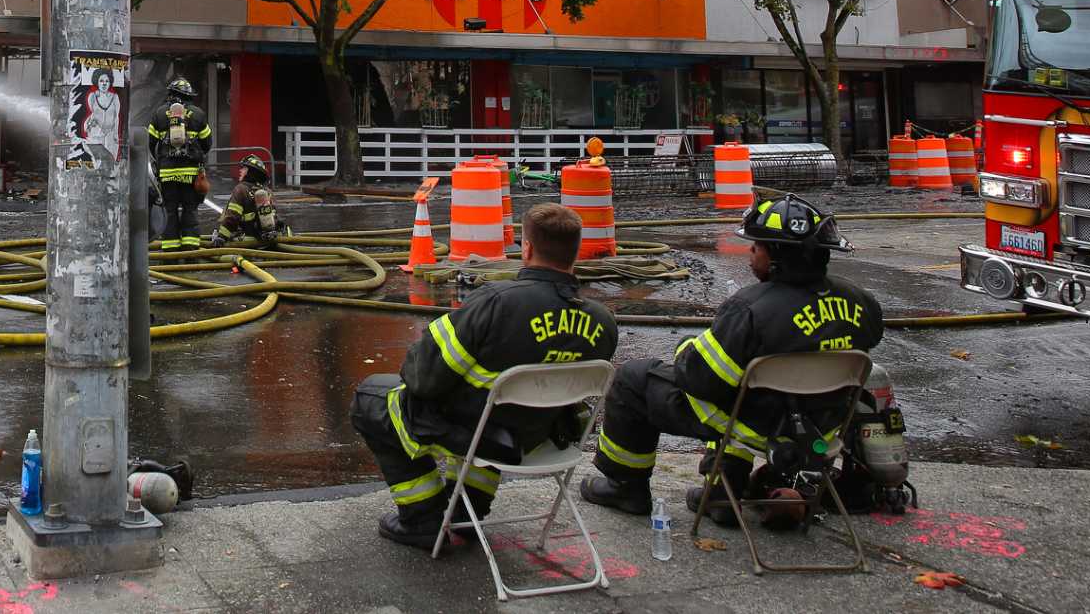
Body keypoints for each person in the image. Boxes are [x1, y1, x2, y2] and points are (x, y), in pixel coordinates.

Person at [582, 195, 884, 524]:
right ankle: (722, 493)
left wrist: (686, 348)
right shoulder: (862, 301)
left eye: (757, 246)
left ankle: (626, 486)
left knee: (636, 378)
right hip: (823, 427)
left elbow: (701, 381)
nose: (750, 253)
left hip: (759, 425)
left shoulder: (750, 309)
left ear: (777, 256)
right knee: (743, 387)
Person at [352, 203, 618, 550]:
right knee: (496, 410)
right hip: (538, 436)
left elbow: (423, 377)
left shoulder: (494, 303)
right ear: (575, 251)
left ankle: (422, 518)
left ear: (527, 248)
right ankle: (465, 514)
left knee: (372, 397)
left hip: (483, 432)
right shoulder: (603, 323)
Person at [146, 79, 212, 251]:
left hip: (167, 173)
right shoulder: (198, 114)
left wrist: (160, 161)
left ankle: (170, 247)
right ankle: (190, 246)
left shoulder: (159, 114)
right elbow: (207, 144)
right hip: (190, 173)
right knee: (190, 208)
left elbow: (150, 142)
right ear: (188, 96)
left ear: (170, 94)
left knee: (170, 209)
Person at [210, 151, 288, 248]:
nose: (240, 171)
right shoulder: (267, 191)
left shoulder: (241, 189)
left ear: (251, 171)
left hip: (246, 241)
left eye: (243, 168)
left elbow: (232, 217)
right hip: (266, 238)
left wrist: (221, 237)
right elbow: (274, 216)